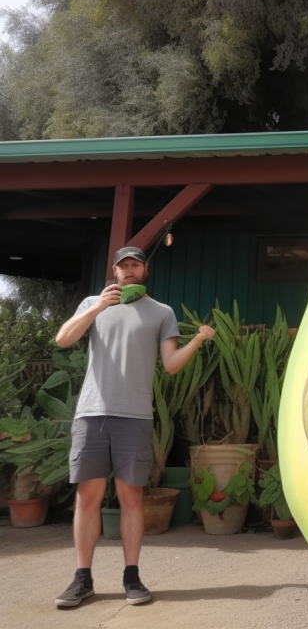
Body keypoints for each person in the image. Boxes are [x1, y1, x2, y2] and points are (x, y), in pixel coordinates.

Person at [53, 246, 215, 608]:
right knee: (87, 498)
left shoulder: (162, 312)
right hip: (91, 414)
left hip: (135, 417)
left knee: (132, 499)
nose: (129, 271)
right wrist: (97, 307)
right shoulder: (94, 303)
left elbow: (171, 364)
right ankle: (82, 578)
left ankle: (132, 576)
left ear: (145, 270)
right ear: (114, 270)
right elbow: (64, 339)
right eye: (123, 266)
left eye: (135, 266)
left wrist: (199, 340)